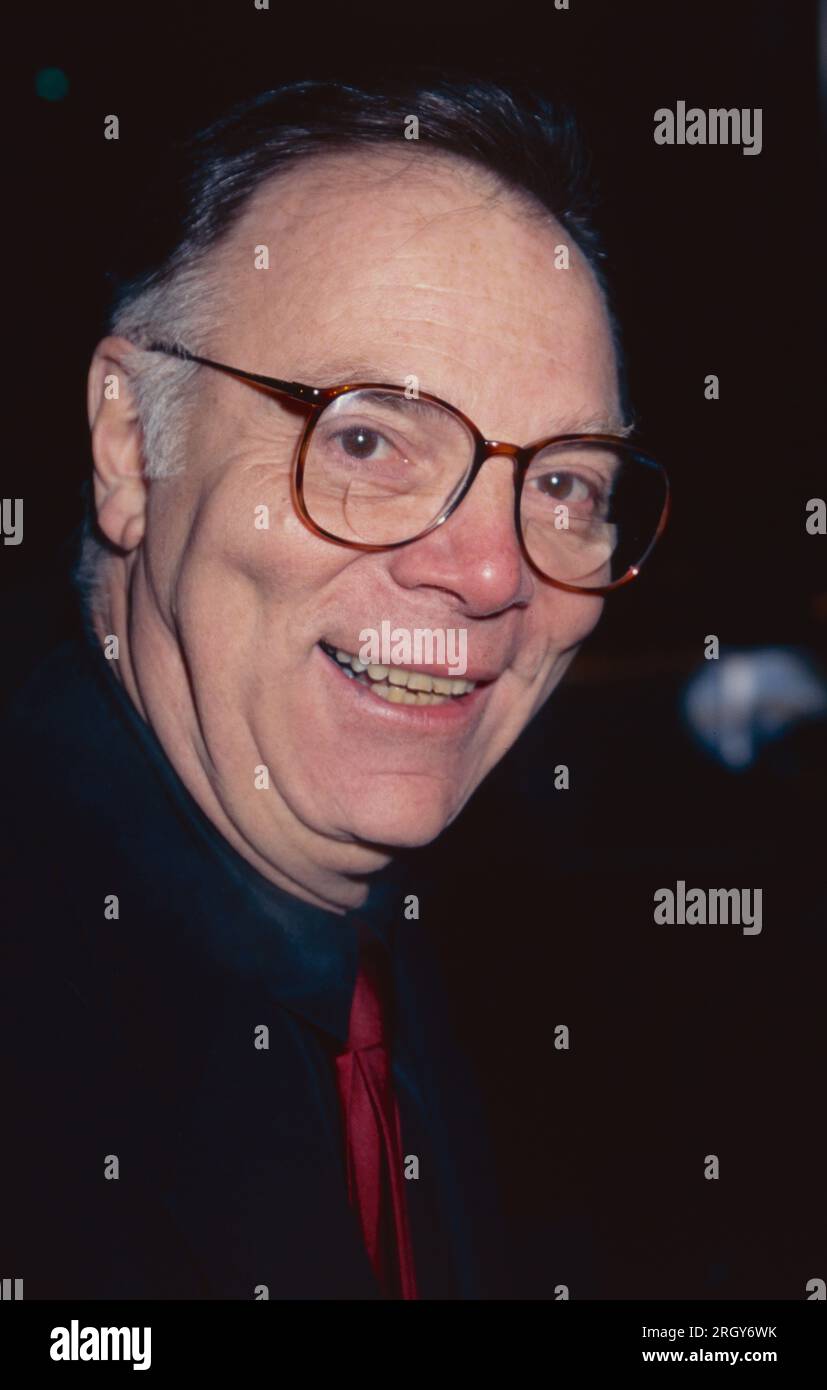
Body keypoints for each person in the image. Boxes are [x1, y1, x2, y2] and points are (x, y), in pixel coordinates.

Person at [0, 76, 668, 1299]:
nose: (486, 571)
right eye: (365, 440)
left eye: (563, 483)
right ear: (127, 447)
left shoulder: (415, 982)